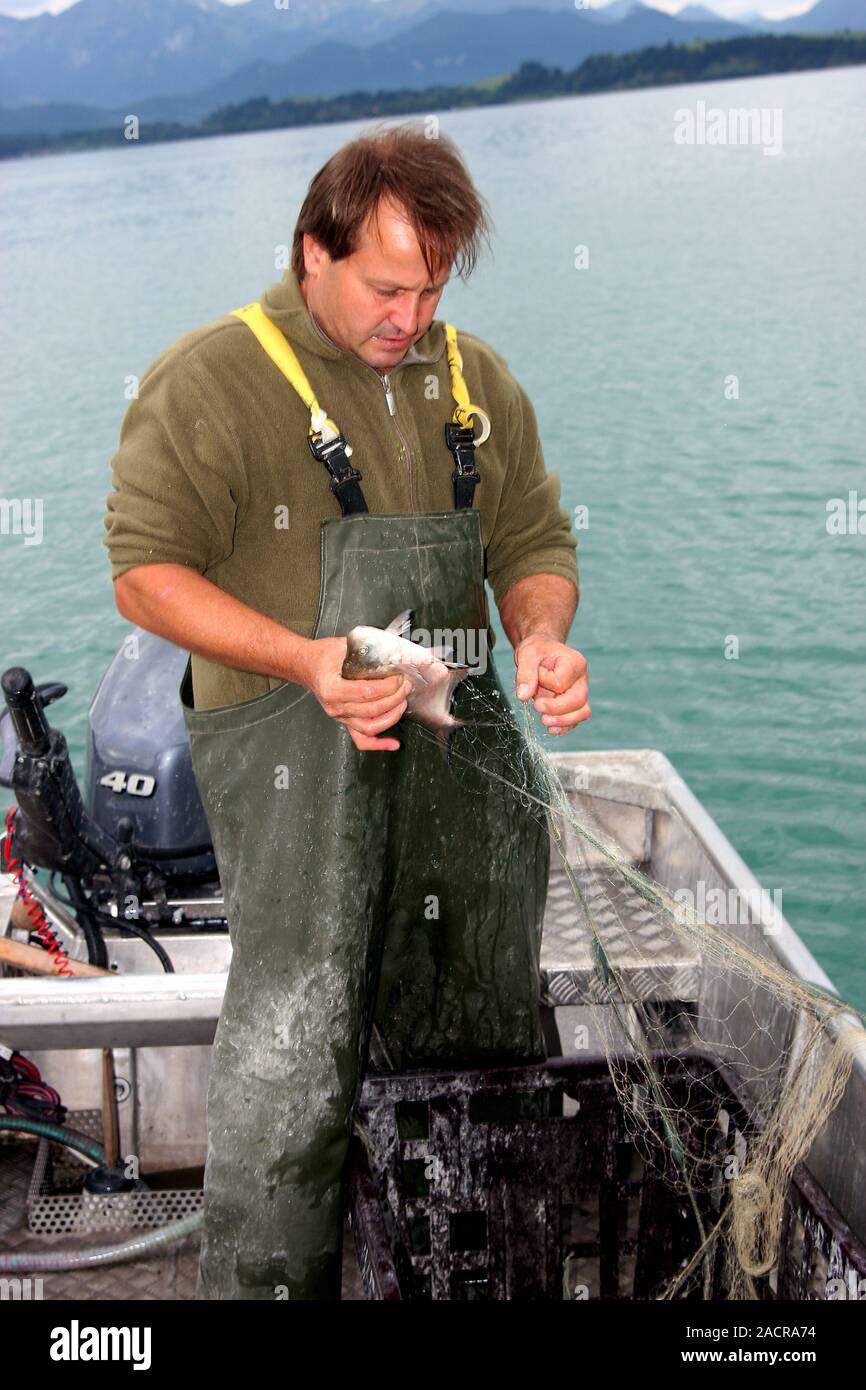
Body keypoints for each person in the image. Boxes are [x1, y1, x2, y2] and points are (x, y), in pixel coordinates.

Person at [102, 121, 590, 1300]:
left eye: (428, 289)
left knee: (476, 1022)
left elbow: (533, 538)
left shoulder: (471, 380)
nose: (408, 319)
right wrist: (305, 659)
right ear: (309, 251)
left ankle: (465, 1266)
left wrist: (539, 635)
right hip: (294, 771)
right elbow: (143, 570)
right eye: (384, 287)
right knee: (296, 1057)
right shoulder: (212, 378)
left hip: (462, 779)